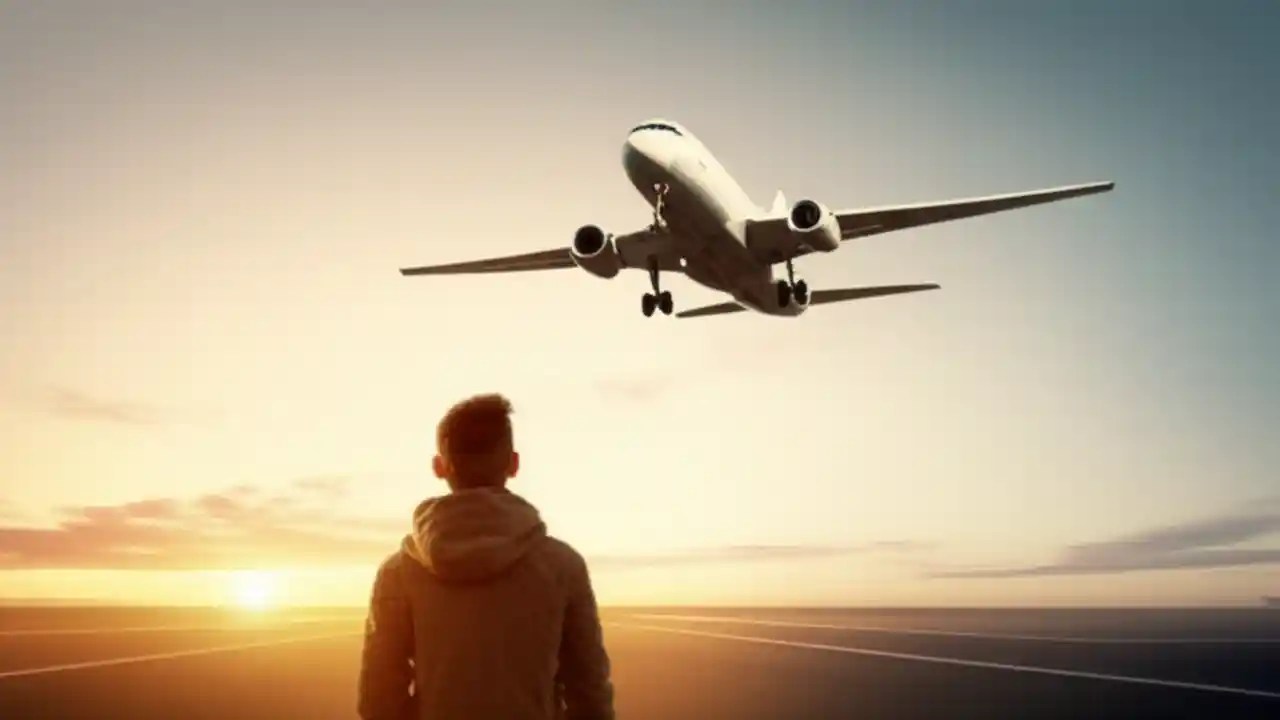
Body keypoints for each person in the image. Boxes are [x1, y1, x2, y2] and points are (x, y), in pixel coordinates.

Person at [358, 393, 615, 720]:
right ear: (514, 464)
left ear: (439, 467)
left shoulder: (399, 572)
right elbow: (590, 692)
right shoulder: (563, 566)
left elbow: (378, 700)